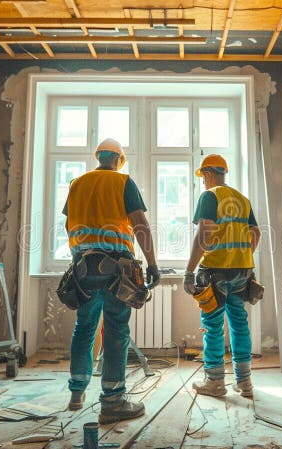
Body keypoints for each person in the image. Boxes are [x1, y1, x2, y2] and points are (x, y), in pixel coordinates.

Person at [62, 138, 160, 423]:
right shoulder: (123, 182)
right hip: (117, 268)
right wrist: (152, 263)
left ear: (98, 157)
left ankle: (76, 392)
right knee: (116, 329)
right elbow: (140, 224)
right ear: (118, 160)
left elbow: (69, 225)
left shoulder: (76, 184)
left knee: (84, 327)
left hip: (83, 268)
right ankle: (113, 400)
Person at [184, 154, 261, 398]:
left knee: (213, 326)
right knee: (239, 324)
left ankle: (216, 382)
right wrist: (243, 255)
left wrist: (188, 271)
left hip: (215, 271)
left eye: (203, 177)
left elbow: (203, 236)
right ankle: (245, 382)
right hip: (242, 272)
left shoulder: (210, 195)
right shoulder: (242, 199)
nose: (203, 182)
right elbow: (256, 233)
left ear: (208, 174)